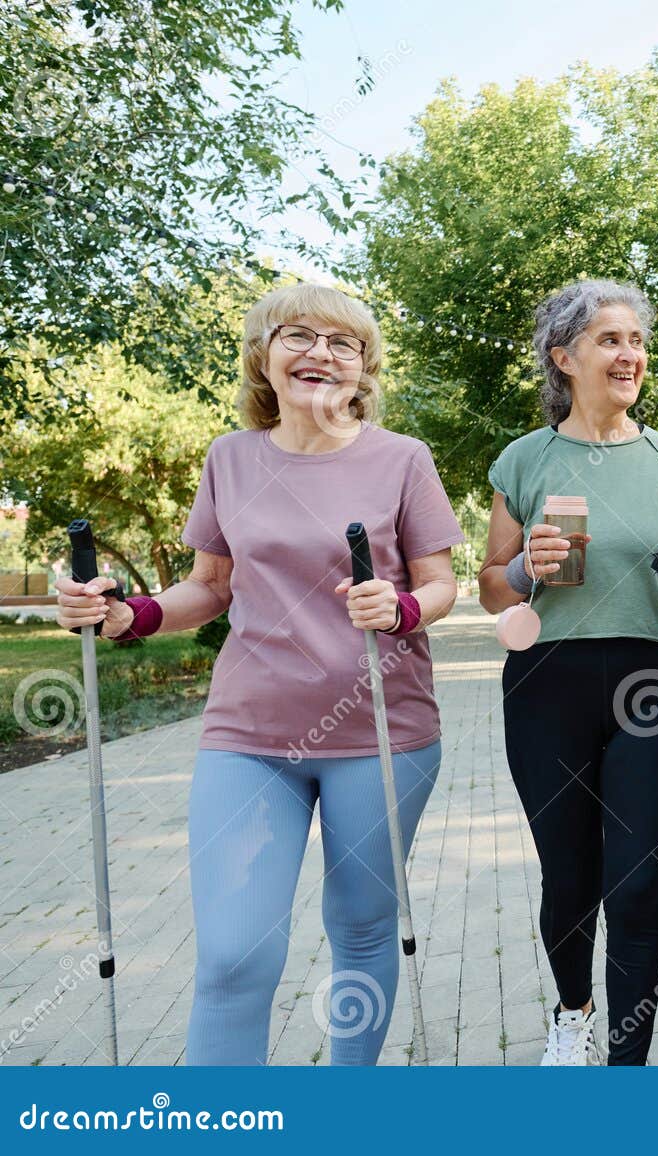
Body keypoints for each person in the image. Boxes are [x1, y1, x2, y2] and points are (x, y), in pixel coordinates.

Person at [55, 283, 464, 1065]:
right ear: (263, 357)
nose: (320, 353)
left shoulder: (403, 460)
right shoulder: (231, 458)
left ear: (364, 366)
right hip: (249, 737)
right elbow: (210, 586)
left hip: (383, 734)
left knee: (362, 928)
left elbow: (439, 583)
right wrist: (128, 614)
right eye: (298, 336)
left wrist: (401, 609)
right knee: (234, 956)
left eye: (342, 343)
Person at [479, 279, 658, 1066]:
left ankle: (628, 1064)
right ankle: (573, 1012)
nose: (630, 355)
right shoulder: (524, 459)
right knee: (568, 874)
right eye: (610, 341)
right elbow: (488, 584)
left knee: (638, 880)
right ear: (565, 358)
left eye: (636, 342)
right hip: (547, 682)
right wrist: (522, 569)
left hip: (653, 682)